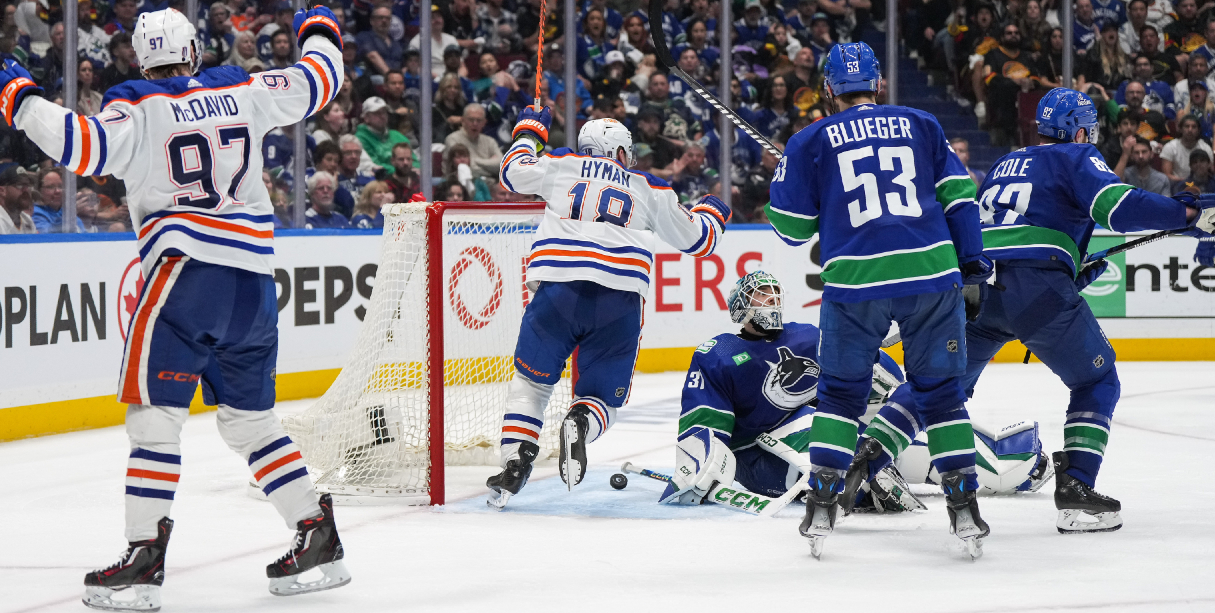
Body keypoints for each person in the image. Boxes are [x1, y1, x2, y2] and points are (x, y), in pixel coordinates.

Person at [0, 5, 352, 607]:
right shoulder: (241, 85)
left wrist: (19, 98)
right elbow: (320, 80)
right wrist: (319, 32)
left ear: (141, 59)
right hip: (253, 284)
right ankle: (316, 531)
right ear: (194, 50)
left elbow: (83, 146)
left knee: (155, 418)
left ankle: (144, 555)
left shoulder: (137, 102)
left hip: (185, 276)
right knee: (250, 421)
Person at [767, 42, 992, 558]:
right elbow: (960, 199)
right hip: (931, 273)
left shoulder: (809, 140)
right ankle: (964, 506)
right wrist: (974, 266)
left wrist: (794, 179)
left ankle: (822, 500)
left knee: (842, 395)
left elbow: (791, 231)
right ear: (878, 86)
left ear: (828, 90)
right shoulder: (920, 123)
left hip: (855, 283)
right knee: (941, 395)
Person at [964, 88, 1213, 534]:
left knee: (940, 387)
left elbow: (1014, 229)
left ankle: (866, 466)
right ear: (1078, 129)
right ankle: (1077, 490)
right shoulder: (1074, 156)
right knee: (1097, 379)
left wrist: (1068, 268)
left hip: (981, 289)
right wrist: (1182, 213)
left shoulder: (1004, 163)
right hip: (1034, 291)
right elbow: (1117, 206)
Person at [485, 108, 732, 509]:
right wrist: (714, 212)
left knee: (531, 385)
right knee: (603, 400)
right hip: (618, 299)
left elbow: (512, 172)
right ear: (618, 150)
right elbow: (698, 241)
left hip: (557, 290)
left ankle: (515, 462)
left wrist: (530, 131)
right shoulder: (648, 186)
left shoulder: (563, 163)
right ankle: (581, 422)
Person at [669, 271, 1051, 510]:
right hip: (761, 455)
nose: (770, 303)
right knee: (838, 459)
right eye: (760, 297)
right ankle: (863, 484)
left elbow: (871, 372)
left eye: (773, 295)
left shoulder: (806, 335)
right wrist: (697, 466)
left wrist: (894, 391)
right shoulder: (717, 354)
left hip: (821, 429)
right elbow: (704, 424)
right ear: (739, 308)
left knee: (906, 448)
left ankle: (1013, 461)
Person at [443, 103, 502, 179]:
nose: (475, 124)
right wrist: (490, 164)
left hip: (489, 184)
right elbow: (463, 169)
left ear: (484, 123)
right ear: (463, 121)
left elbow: (502, 166)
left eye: (479, 120)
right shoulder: (453, 139)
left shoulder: (490, 141)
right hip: (460, 184)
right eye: (471, 120)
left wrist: (475, 161)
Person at [0, 164, 36, 234]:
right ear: (2, 191)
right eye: (19, 185)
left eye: (28, 186)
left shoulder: (27, 220)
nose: (26, 190)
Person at [1161, 116, 1214, 182]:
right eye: (1187, 126)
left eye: (1194, 127)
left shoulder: (1205, 148)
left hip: (1202, 184)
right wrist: (1187, 183)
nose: (1190, 130)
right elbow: (1167, 175)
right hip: (1177, 185)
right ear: (1180, 129)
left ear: (1198, 130)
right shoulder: (1170, 147)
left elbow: (1211, 172)